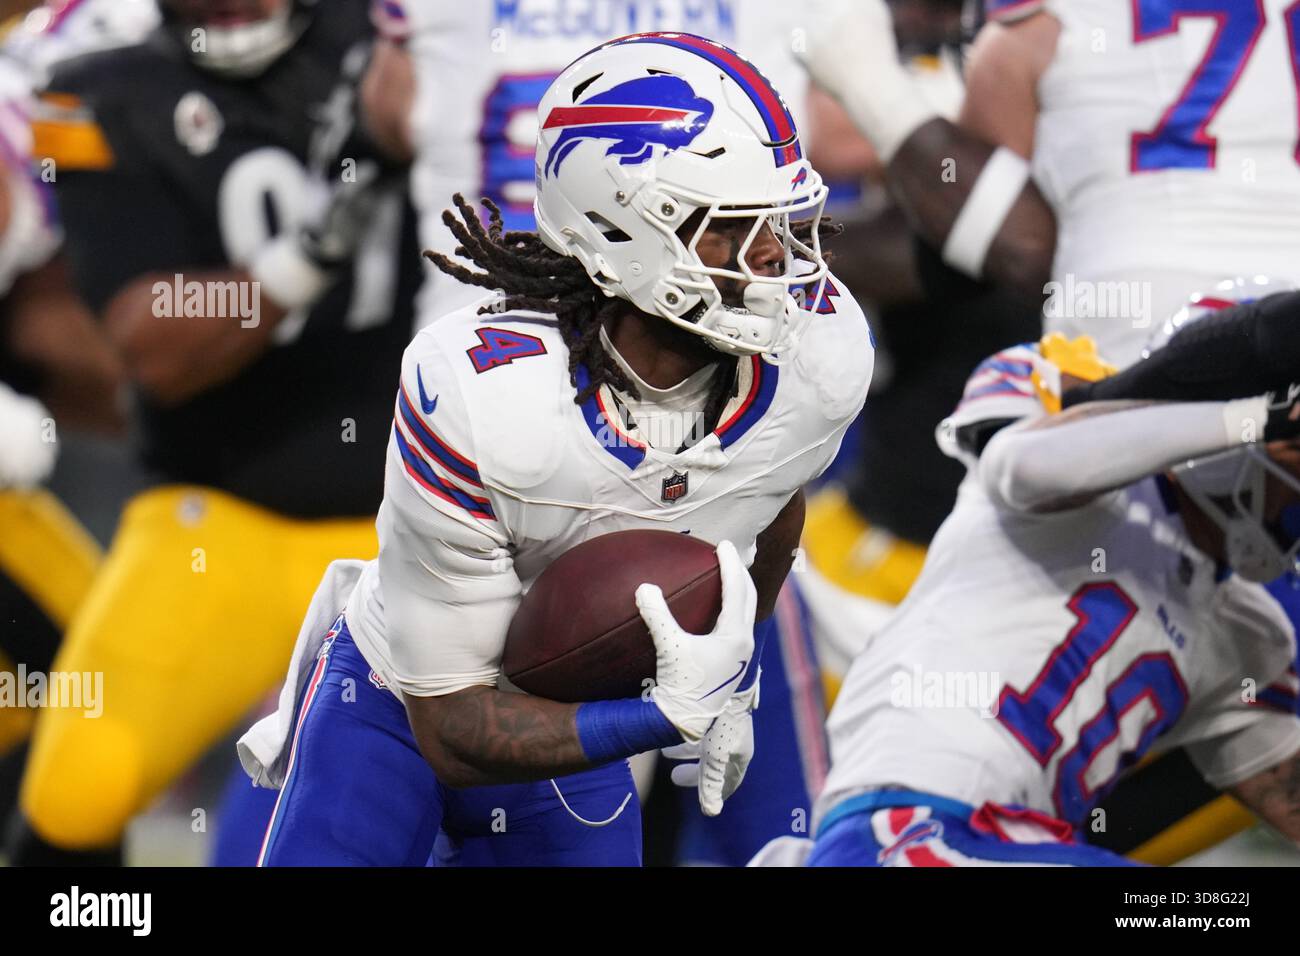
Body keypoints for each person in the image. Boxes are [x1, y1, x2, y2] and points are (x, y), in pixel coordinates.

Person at [240, 32, 874, 866]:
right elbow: (452, 726)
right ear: (621, 234)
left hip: (571, 722)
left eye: (780, 225)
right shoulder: (485, 391)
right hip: (398, 705)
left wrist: (732, 668)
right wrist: (659, 718)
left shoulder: (820, 358)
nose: (774, 262)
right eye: (733, 230)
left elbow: (775, 489)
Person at [6, 0, 423, 865]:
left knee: (566, 779)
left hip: (424, 529)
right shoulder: (95, 86)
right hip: (222, 520)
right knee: (79, 791)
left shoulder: (405, 41)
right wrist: (311, 246)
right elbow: (153, 346)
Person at [792, 317, 1300, 866]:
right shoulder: (1079, 463)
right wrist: (1259, 420)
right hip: (909, 825)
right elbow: (1025, 463)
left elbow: (1284, 788)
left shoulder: (1247, 632)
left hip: (1013, 845)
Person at [800, 0, 1300, 364]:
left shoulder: (1038, 25)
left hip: (1124, 359)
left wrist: (868, 81)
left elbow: (1012, 241)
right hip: (1280, 323)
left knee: (1013, 480)